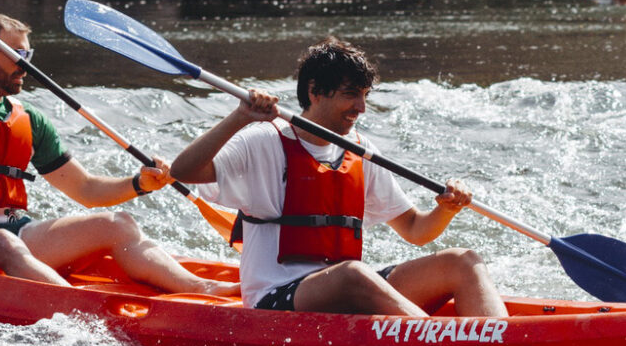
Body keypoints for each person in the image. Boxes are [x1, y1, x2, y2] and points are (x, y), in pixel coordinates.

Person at [171, 38, 508, 318]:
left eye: (364, 95)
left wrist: (447, 208)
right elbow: (182, 171)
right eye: (351, 94)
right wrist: (239, 117)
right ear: (315, 91)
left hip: (346, 292)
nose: (361, 107)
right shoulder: (263, 141)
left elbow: (416, 231)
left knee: (462, 261)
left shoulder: (359, 150)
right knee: (353, 274)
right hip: (274, 300)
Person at [0, 12, 227, 293]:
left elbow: (85, 190)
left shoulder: (29, 120)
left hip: (13, 231)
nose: (26, 68)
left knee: (118, 224)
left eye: (30, 56)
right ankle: (77, 310)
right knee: (2, 242)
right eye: (17, 57)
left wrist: (139, 184)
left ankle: (200, 287)